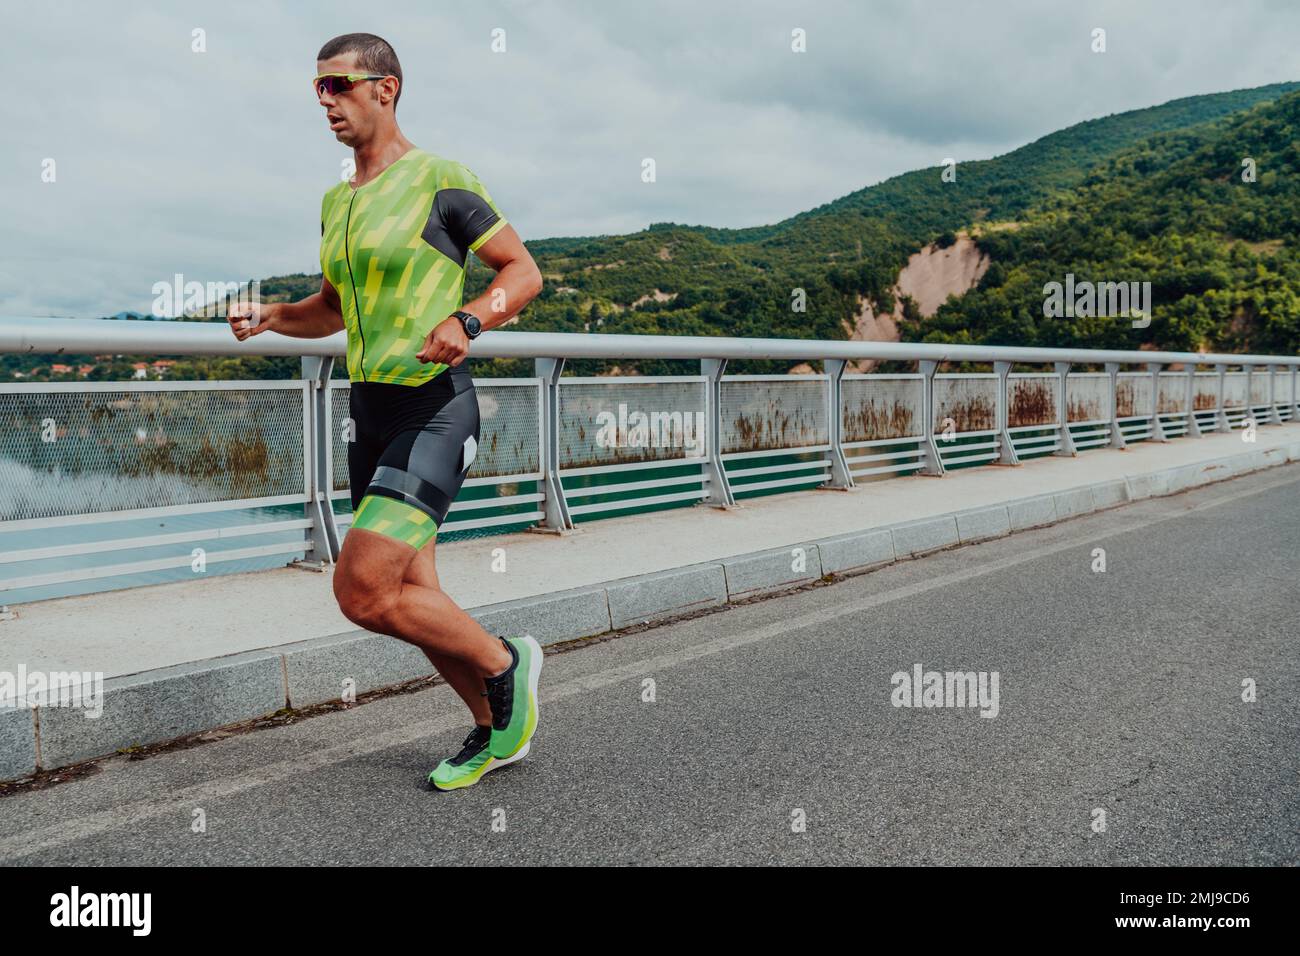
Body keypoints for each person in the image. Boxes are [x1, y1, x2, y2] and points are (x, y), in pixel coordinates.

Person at [228, 32, 544, 791]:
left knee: (362, 590)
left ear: (385, 88)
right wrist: (275, 313)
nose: (325, 101)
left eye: (337, 85)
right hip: (367, 416)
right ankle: (491, 728)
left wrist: (468, 322)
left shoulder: (441, 180)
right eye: (317, 89)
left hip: (433, 409)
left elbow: (522, 272)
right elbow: (332, 310)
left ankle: (509, 663)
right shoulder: (338, 201)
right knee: (414, 594)